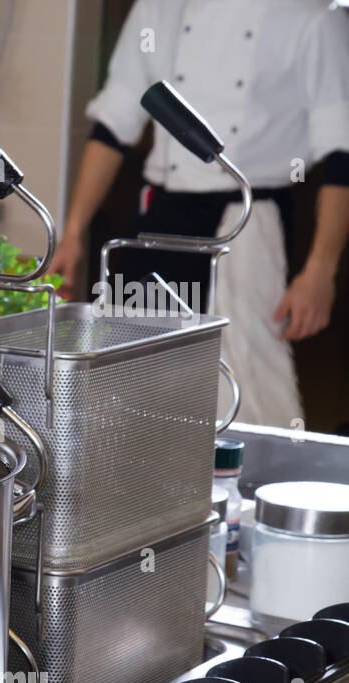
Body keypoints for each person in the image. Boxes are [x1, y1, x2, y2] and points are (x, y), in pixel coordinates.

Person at [52, 0, 349, 428]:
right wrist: (74, 232)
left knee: (246, 393)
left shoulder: (316, 17)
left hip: (243, 227)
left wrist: (321, 270)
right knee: (130, 390)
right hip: (153, 226)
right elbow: (113, 123)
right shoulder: (156, 9)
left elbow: (341, 156)